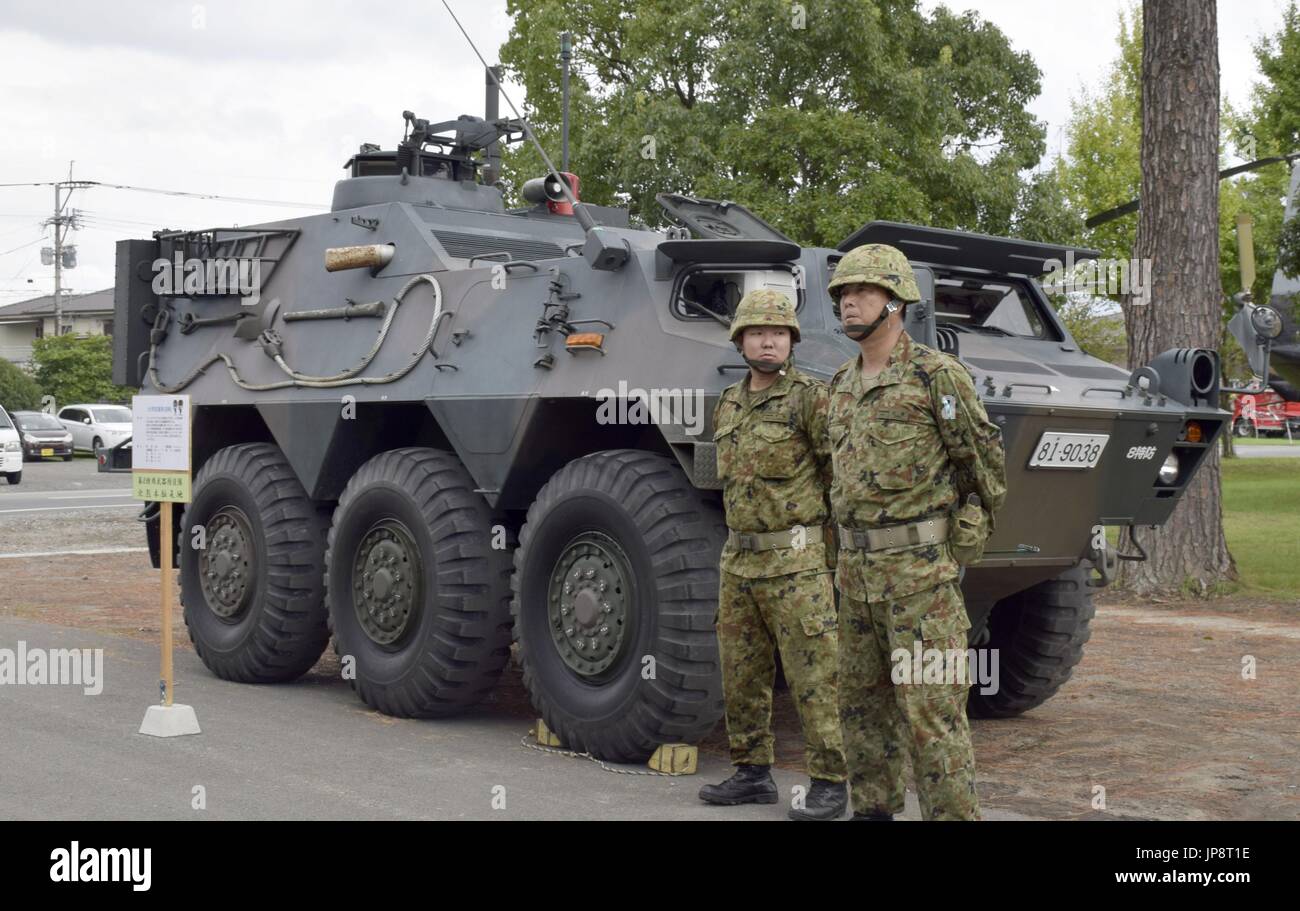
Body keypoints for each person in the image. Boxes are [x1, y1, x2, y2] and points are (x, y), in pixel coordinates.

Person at [826, 244, 1006, 821]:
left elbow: (983, 469)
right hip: (854, 579)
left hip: (920, 580)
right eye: (842, 294)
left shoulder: (936, 376)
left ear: (897, 302)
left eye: (863, 291)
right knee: (860, 712)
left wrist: (962, 539)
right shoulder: (840, 384)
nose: (849, 301)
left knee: (932, 718)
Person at [698, 288, 848, 821]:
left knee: (815, 675)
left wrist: (828, 557)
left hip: (796, 563)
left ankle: (831, 781)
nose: (769, 340)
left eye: (779, 333)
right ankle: (752, 773)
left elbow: (838, 479)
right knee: (741, 672)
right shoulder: (729, 403)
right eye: (759, 332)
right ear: (740, 341)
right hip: (738, 562)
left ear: (791, 342)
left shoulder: (812, 397)